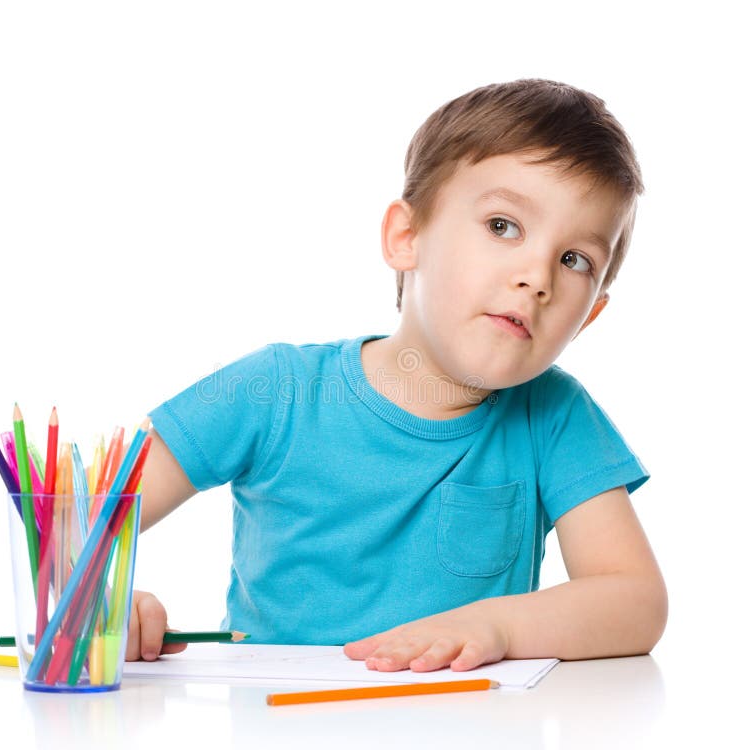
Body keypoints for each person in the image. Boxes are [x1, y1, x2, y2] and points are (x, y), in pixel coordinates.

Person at [126, 79, 668, 673]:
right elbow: (72, 521)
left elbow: (636, 602)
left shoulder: (555, 415)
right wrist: (101, 600)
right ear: (406, 238)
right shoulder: (277, 390)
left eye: (574, 261)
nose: (538, 276)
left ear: (588, 315)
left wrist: (498, 625)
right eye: (503, 226)